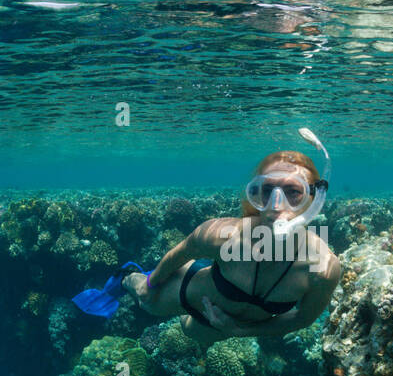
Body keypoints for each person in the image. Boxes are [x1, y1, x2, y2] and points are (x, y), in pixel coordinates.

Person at [123, 130, 341, 345]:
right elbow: (184, 250)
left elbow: (303, 318)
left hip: (220, 326)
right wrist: (150, 284)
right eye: (267, 191)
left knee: (189, 331)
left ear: (315, 200)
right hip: (190, 291)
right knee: (147, 303)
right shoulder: (222, 235)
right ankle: (126, 277)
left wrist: (239, 330)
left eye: (293, 192)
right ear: (254, 195)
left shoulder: (322, 270)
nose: (276, 205)